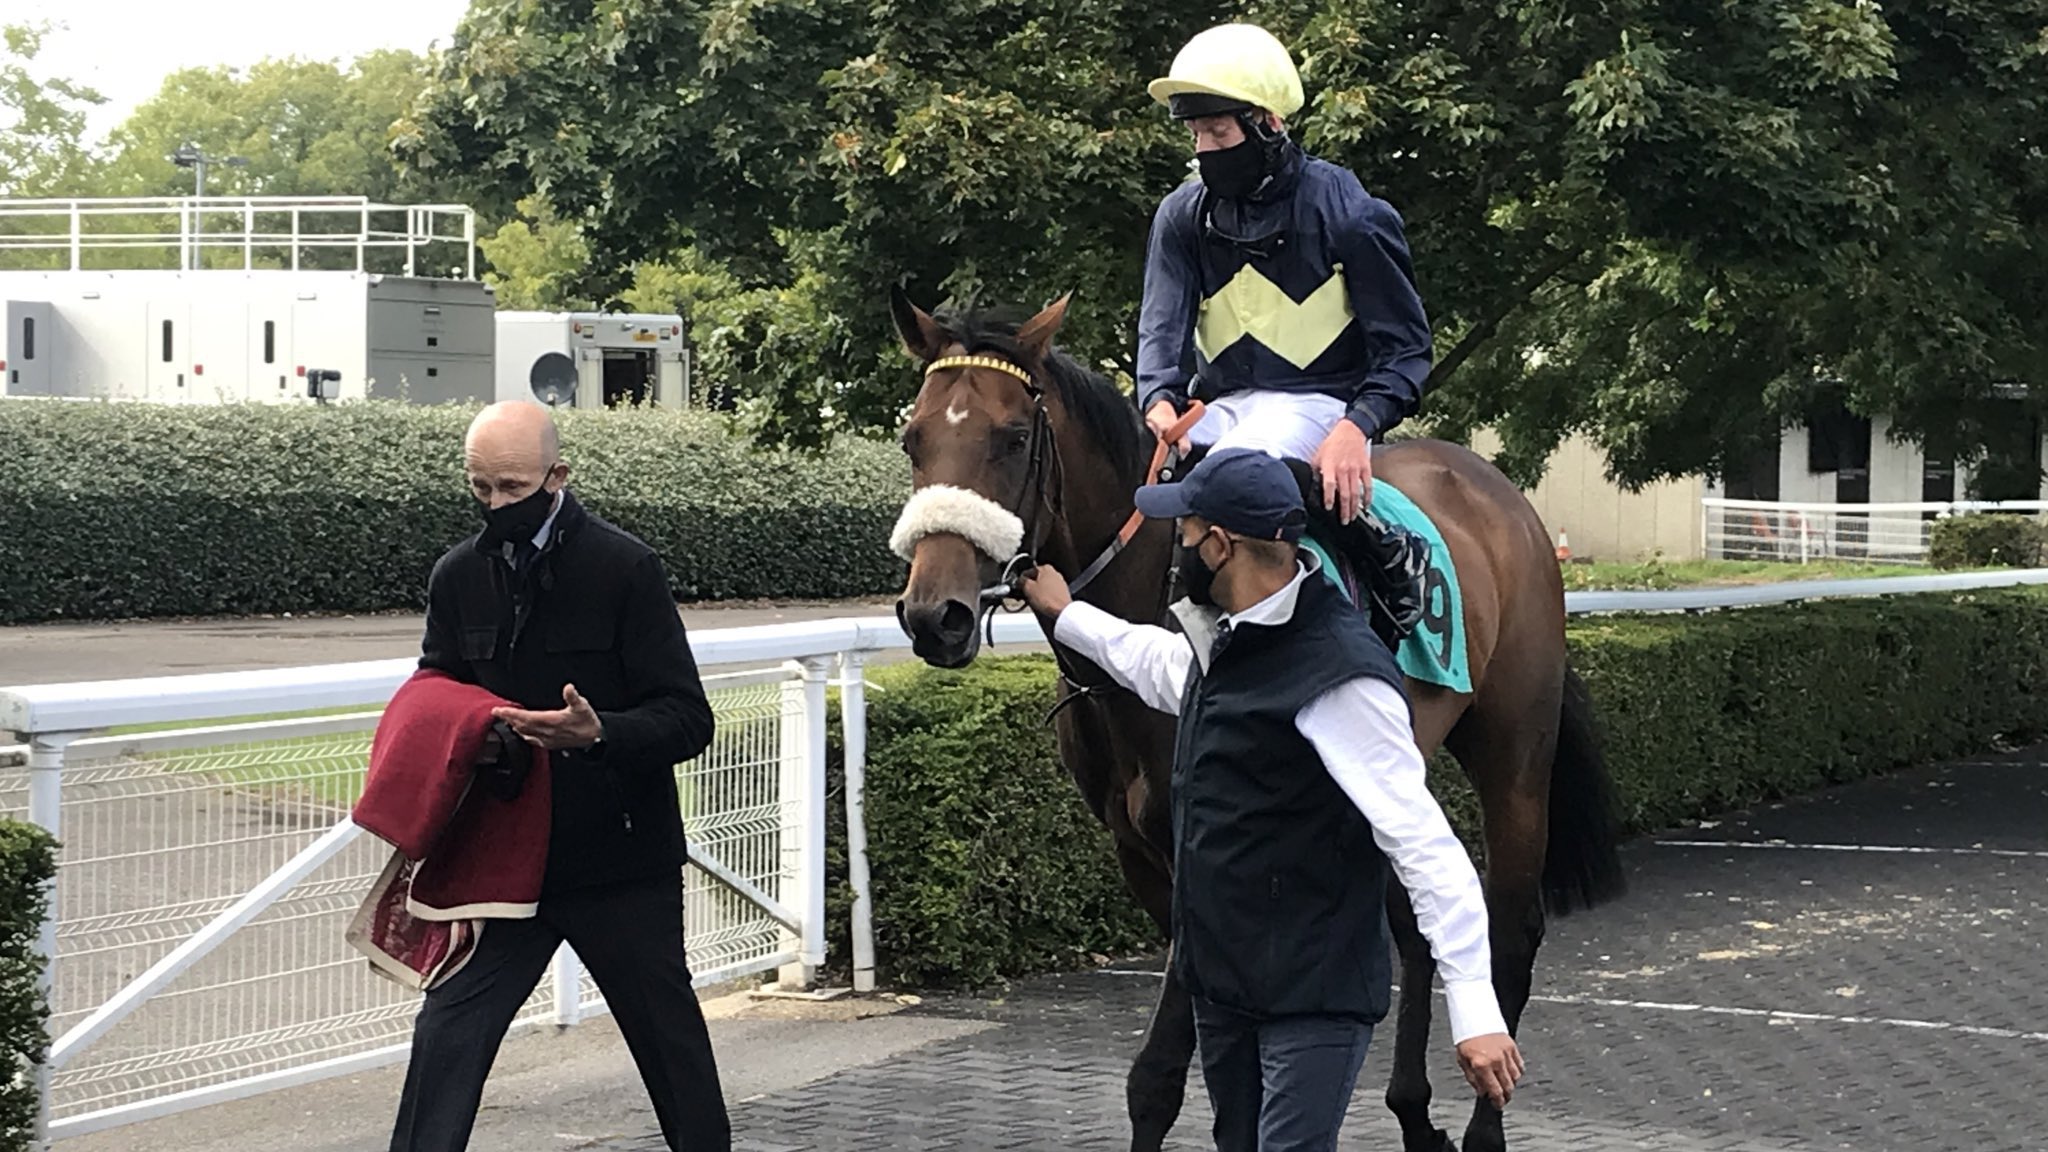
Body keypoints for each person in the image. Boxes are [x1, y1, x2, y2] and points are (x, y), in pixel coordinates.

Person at [1019, 446, 1522, 1152]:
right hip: (1226, 987)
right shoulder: (1225, 642)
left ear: (1220, 546)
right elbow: (1159, 665)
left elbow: (1424, 845)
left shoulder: (1343, 679)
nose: (1180, 549)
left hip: (1311, 1000)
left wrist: (1475, 1010)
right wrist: (1067, 614)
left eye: (1186, 533)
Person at [388, 401, 731, 1152]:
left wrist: (599, 733)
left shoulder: (625, 568)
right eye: (480, 488)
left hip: (620, 864)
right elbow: (436, 688)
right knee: (446, 1035)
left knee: (671, 1052)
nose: (496, 505)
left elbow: (687, 718)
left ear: (558, 476)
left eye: (512, 488)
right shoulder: (457, 575)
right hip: (505, 864)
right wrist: (464, 734)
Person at [1136, 21, 1432, 640]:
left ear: (1268, 123)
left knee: (1237, 471)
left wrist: (1358, 425)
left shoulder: (1350, 214)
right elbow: (1161, 331)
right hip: (1219, 406)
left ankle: (1385, 551)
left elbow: (1406, 350)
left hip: (1320, 403)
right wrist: (1157, 398)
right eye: (1196, 135)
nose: (1206, 150)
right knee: (1130, 461)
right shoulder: (1181, 217)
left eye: (1219, 133)